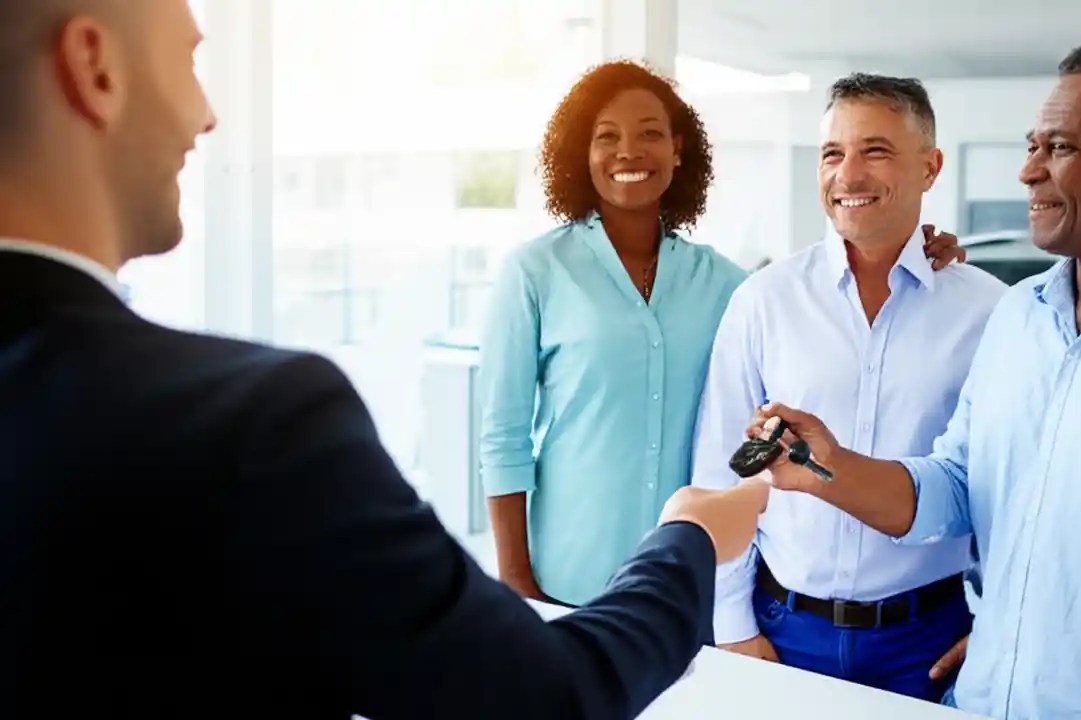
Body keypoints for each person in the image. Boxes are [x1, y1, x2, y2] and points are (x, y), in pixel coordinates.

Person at [0, 2, 772, 718]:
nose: (206, 115)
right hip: (589, 586)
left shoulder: (728, 285)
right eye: (189, 59)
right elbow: (541, 695)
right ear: (95, 65)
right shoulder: (259, 425)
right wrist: (689, 536)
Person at [751, 40, 1081, 720]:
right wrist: (833, 468)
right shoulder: (1019, 315)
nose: (1029, 171)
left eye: (1061, 147)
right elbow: (959, 488)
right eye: (1033, 146)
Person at [478, 60, 968, 607]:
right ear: (580, 151)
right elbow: (504, 439)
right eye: (606, 137)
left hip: (687, 584)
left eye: (650, 134)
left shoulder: (728, 285)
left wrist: (913, 251)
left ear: (678, 149)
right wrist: (516, 581)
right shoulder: (535, 272)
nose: (629, 152)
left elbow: (815, 303)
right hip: (569, 578)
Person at [690, 73, 1006, 702]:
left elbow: (1010, 488)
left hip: (929, 643)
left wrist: (999, 620)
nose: (848, 174)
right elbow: (720, 468)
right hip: (782, 633)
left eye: (876, 151)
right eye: (832, 153)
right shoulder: (764, 301)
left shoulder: (990, 311)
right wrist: (732, 626)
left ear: (931, 167)